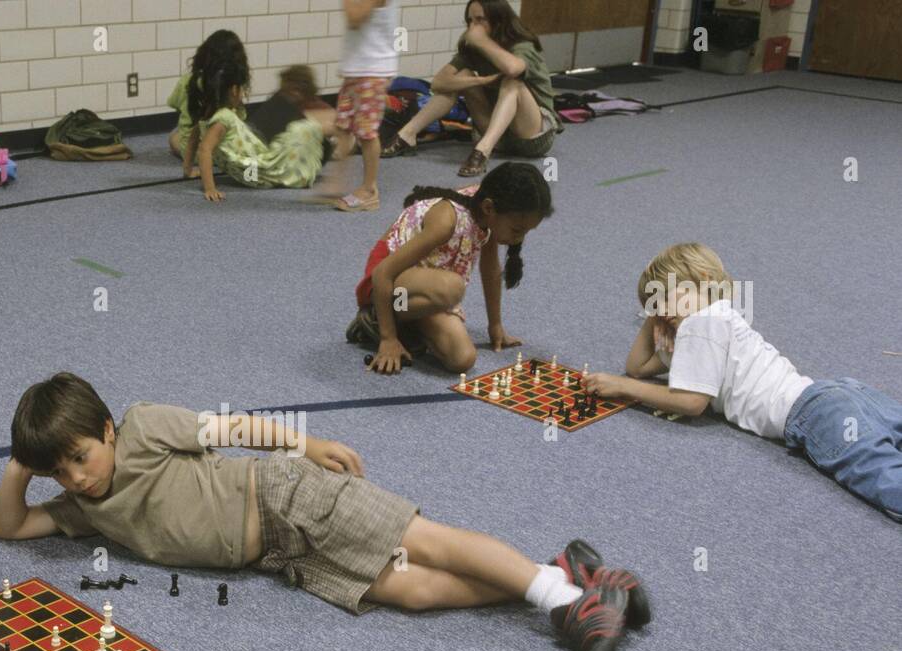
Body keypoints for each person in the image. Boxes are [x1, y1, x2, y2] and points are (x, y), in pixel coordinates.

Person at [0, 373, 651, 651]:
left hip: (285, 496)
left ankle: (567, 603)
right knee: (415, 592)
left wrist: (303, 447)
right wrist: (24, 465)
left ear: (106, 430)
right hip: (280, 558)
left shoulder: (143, 427)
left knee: (427, 541)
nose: (75, 478)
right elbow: (10, 528)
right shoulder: (82, 508)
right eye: (60, 473)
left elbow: (235, 428)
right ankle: (573, 576)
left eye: (79, 457)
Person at [584, 243, 902, 521]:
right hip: (840, 394)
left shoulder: (701, 324)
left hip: (813, 414)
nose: (663, 309)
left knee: (881, 476)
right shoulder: (711, 320)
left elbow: (690, 402)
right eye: (655, 304)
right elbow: (638, 366)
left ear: (705, 283)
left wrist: (622, 387)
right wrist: (656, 319)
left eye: (669, 297)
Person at [347, 161, 551, 374]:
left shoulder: (488, 216)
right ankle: (377, 319)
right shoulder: (446, 221)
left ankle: (409, 326)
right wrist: (388, 339)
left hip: (422, 292)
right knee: (451, 288)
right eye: (517, 230)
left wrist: (495, 326)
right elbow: (382, 273)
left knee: (462, 359)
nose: (519, 238)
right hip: (386, 285)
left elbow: (490, 271)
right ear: (489, 208)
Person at [381, 0, 560, 178]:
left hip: (532, 136)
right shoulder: (473, 48)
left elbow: (513, 69)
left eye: (480, 20)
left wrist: (482, 42)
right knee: (461, 77)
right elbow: (439, 83)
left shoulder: (521, 45)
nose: (474, 26)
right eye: (470, 21)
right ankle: (407, 135)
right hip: (500, 136)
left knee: (512, 82)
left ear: (498, 20)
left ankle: (482, 151)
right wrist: (479, 81)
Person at [188, 65, 331, 200]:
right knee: (304, 129)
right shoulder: (224, 118)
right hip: (258, 171)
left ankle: (329, 141)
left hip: (251, 171)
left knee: (296, 131)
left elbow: (193, 140)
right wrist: (209, 188)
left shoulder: (205, 119)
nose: (243, 94)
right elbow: (204, 149)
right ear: (234, 90)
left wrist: (187, 169)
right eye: (242, 90)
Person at [318, 0, 402, 212]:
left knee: (366, 132)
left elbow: (354, 17)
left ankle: (369, 190)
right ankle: (337, 183)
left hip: (372, 71)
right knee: (343, 126)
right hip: (357, 68)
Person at [167, 30, 251, 163]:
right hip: (228, 151)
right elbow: (241, 118)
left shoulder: (188, 81)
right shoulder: (235, 87)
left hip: (196, 153)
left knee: (174, 136)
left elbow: (174, 104)